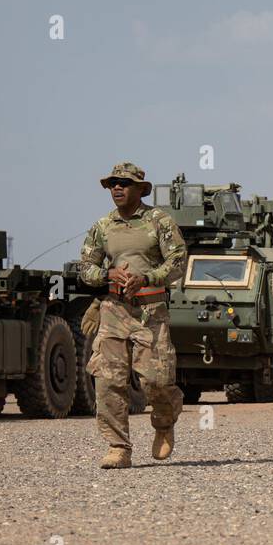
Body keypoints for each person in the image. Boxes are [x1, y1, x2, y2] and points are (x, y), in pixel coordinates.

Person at [79, 162, 188, 467]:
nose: (117, 188)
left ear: (141, 189)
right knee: (108, 380)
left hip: (150, 312)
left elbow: (179, 261)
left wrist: (148, 278)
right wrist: (106, 274)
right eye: (112, 183)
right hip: (113, 311)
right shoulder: (102, 227)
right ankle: (118, 447)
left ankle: (164, 424)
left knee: (156, 380)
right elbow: (85, 269)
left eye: (124, 183)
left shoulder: (158, 222)